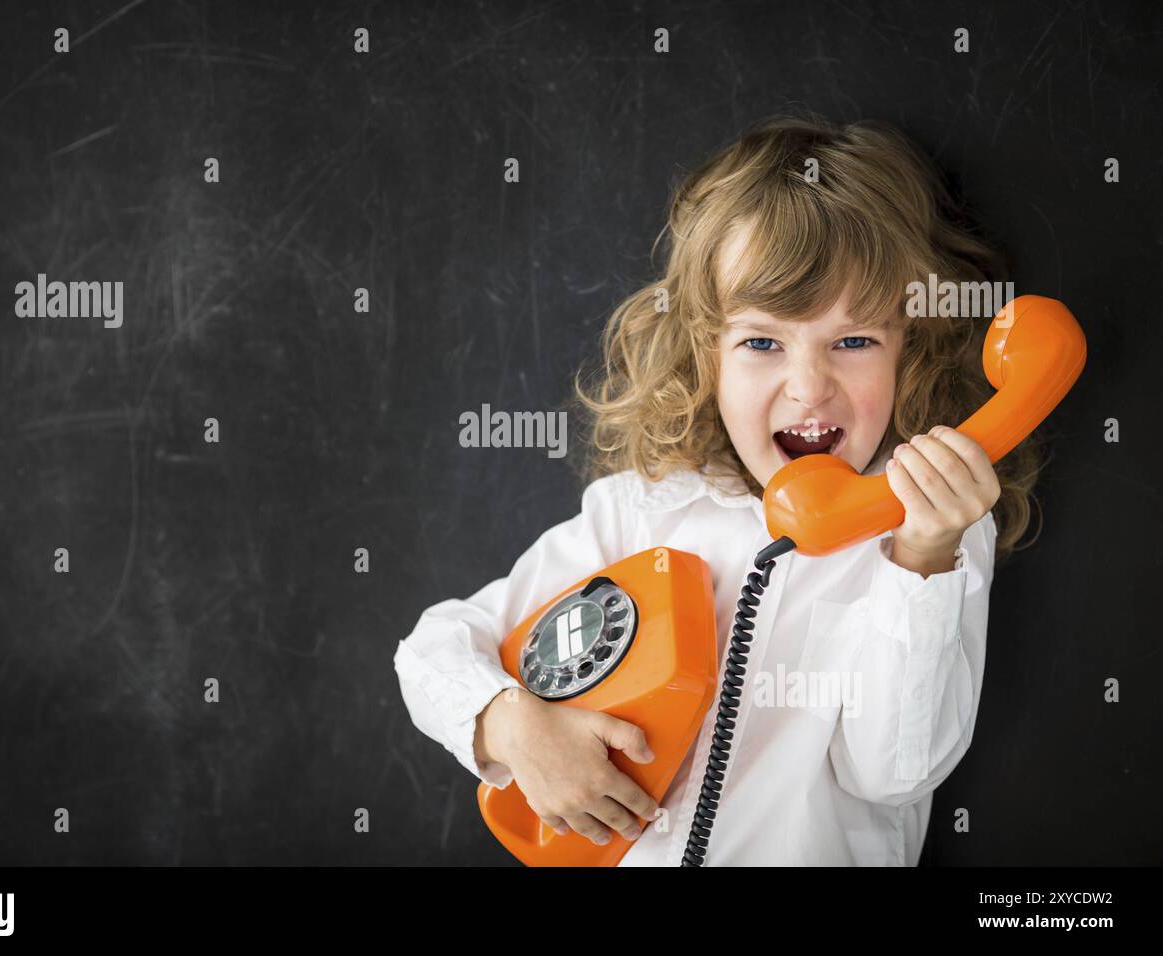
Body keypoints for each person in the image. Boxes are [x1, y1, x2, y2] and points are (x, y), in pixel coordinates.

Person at [393, 115, 1043, 866]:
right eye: (762, 342)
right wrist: (510, 724)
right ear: (707, 353)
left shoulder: (936, 527)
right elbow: (430, 651)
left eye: (855, 341)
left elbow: (894, 773)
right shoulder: (643, 511)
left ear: (911, 349)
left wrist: (923, 557)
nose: (808, 388)